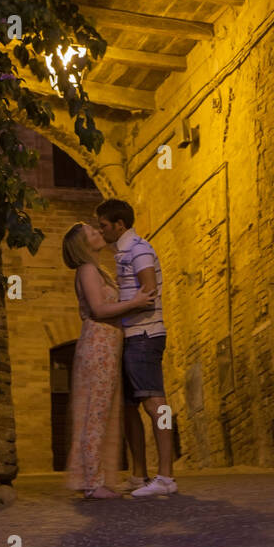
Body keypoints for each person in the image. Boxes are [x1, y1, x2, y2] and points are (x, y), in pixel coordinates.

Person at [61, 221, 155, 500]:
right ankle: (93, 482)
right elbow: (99, 309)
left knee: (101, 412)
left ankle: (92, 477)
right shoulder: (87, 270)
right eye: (92, 233)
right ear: (82, 245)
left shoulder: (96, 269)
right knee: (96, 414)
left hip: (107, 345)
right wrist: (136, 303)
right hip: (98, 345)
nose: (98, 233)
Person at [95, 198, 177, 498]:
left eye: (104, 225)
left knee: (155, 403)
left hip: (145, 334)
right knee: (130, 407)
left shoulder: (139, 248)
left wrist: (115, 309)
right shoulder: (122, 252)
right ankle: (139, 474)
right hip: (129, 336)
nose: (100, 231)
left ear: (120, 224)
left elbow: (148, 292)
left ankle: (166, 476)